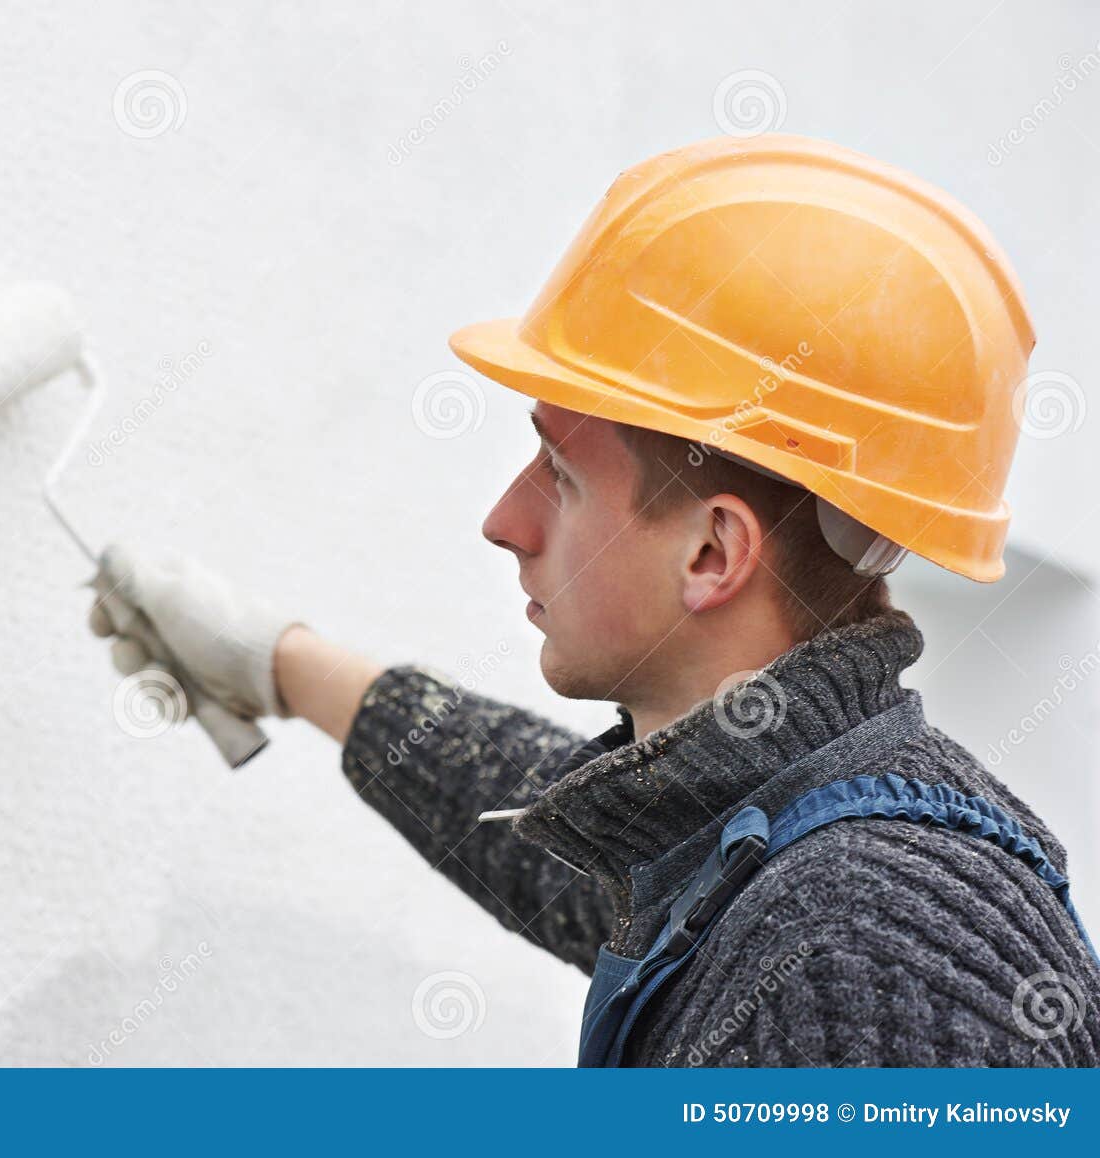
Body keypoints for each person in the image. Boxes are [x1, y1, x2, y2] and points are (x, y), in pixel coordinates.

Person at [85, 134, 1100, 1066]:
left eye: (558, 475)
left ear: (711, 552)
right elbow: (588, 847)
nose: (503, 520)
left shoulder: (861, 951)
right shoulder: (784, 827)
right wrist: (276, 660)